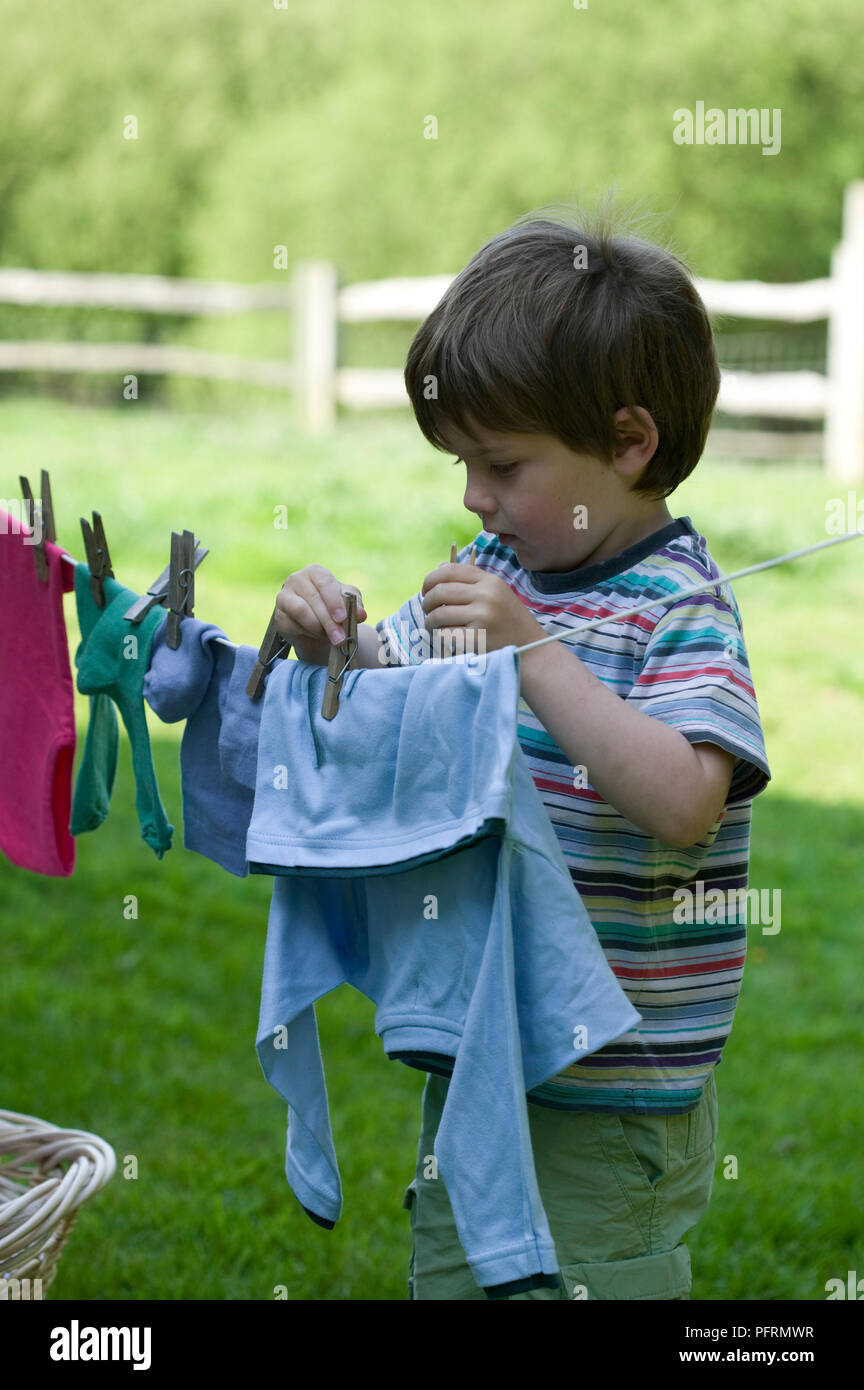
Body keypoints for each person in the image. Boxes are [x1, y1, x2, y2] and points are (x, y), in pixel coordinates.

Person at [272, 198, 771, 1300]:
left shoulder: (678, 608)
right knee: (462, 1274)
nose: (472, 496)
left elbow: (687, 800)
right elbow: (395, 711)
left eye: (500, 466)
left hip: (614, 1090)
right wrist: (338, 643)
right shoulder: (492, 570)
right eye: (460, 463)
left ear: (629, 443)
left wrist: (538, 652)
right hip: (489, 1045)